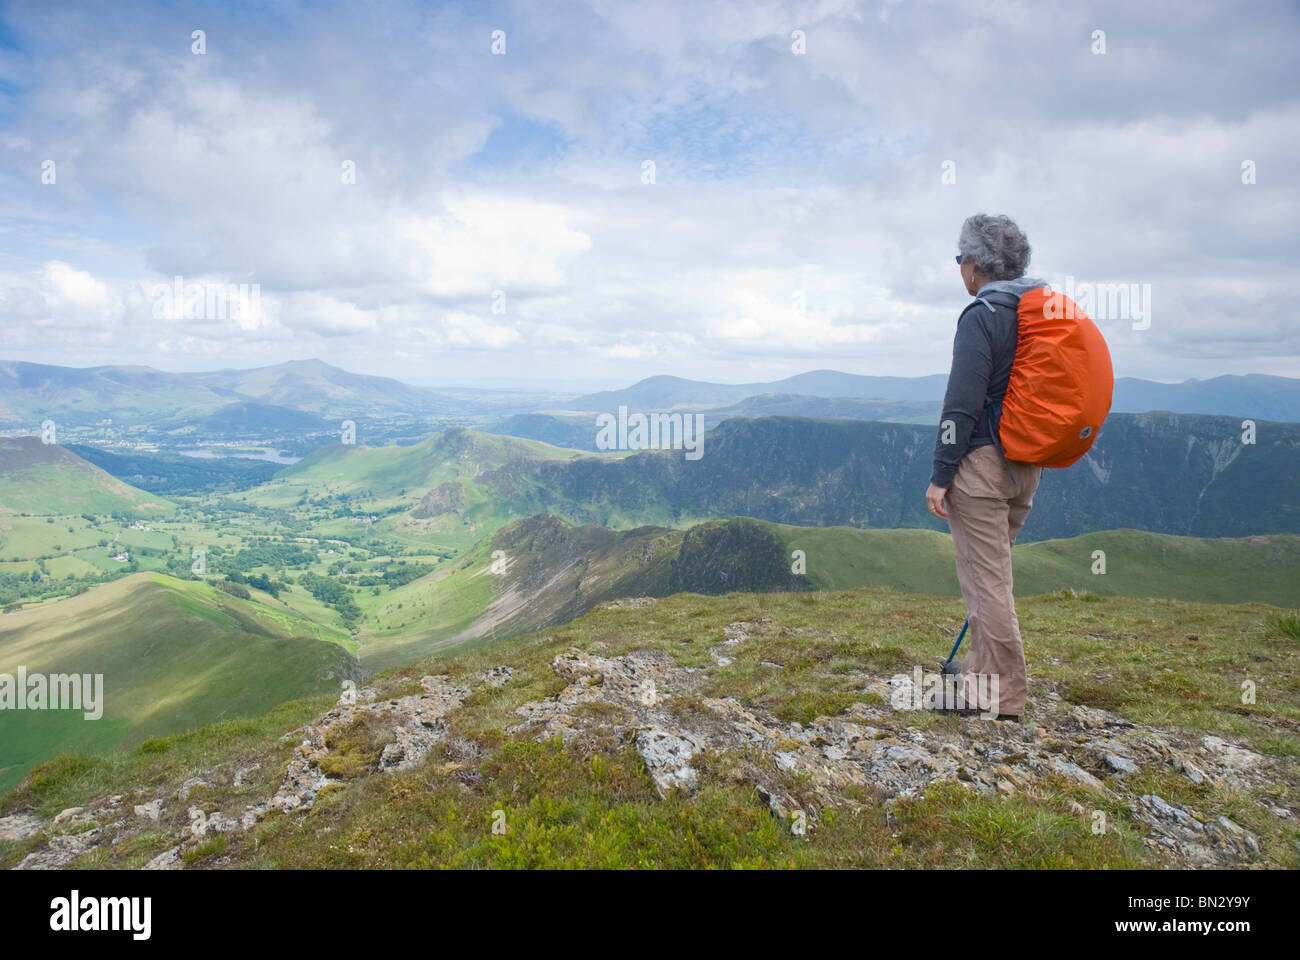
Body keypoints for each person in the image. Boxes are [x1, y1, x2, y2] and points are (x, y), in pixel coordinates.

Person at [924, 213, 1046, 722]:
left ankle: (997, 696)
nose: (959, 269)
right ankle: (979, 666)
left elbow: (961, 405)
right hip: (1026, 462)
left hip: (983, 466)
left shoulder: (981, 315)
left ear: (974, 263)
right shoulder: (1033, 311)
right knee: (990, 573)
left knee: (986, 580)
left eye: (959, 259)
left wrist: (940, 475)